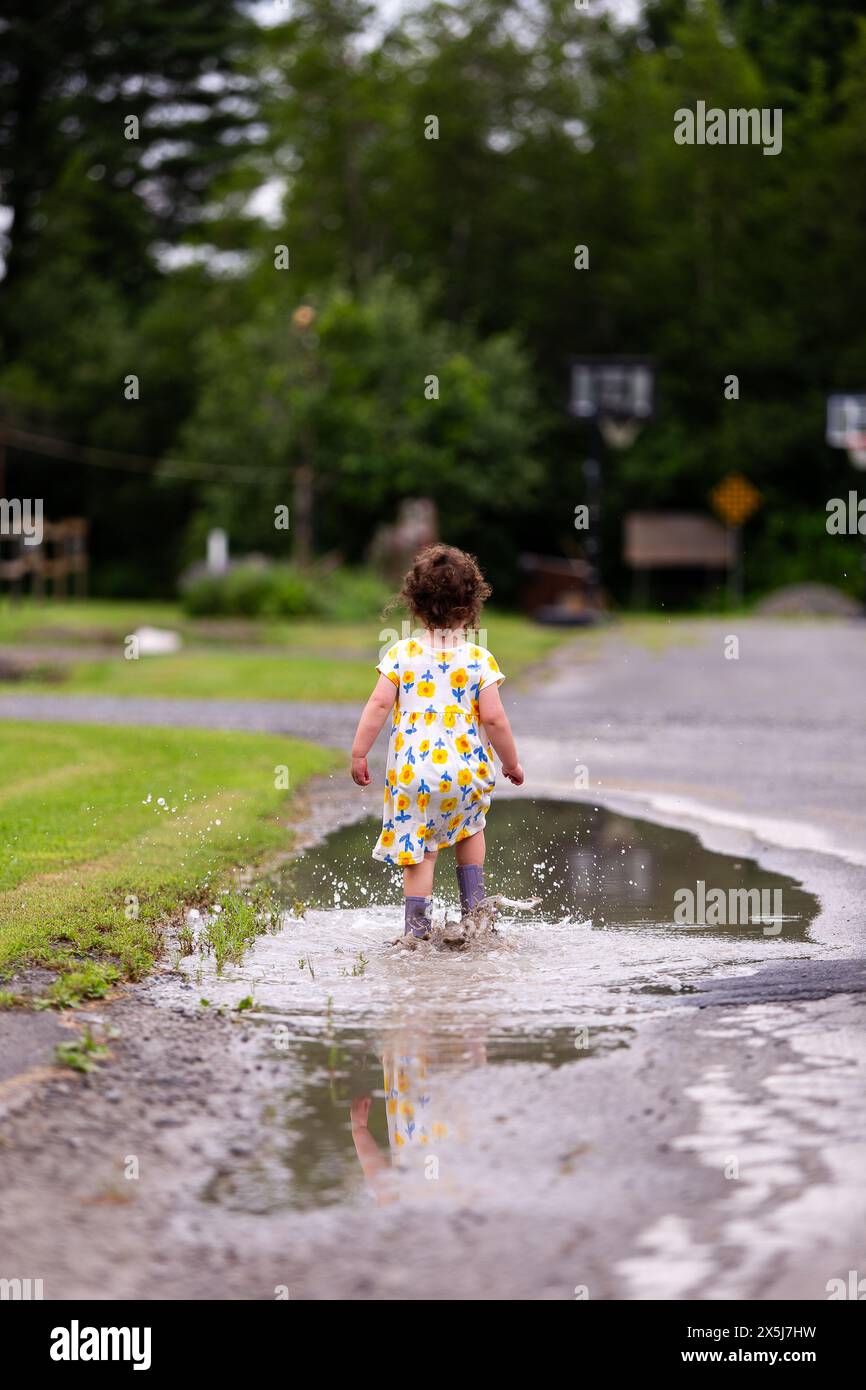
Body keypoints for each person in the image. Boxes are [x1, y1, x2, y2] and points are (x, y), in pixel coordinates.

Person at [350, 543, 524, 940]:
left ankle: (415, 934)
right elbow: (495, 719)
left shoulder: (400, 654)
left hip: (414, 776)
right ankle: (476, 919)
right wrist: (511, 764)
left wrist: (360, 753)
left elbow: (378, 705)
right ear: (471, 603)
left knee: (420, 854)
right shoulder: (479, 660)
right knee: (471, 831)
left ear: (415, 603)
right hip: (466, 774)